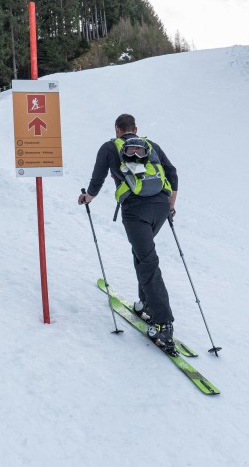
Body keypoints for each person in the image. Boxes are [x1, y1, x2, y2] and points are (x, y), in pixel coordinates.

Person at [78, 114, 179, 354]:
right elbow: (172, 173)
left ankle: (164, 324)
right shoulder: (151, 146)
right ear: (135, 129)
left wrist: (88, 197)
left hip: (135, 211)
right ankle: (145, 303)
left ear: (117, 129)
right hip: (161, 207)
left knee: (147, 260)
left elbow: (97, 179)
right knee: (143, 254)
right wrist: (171, 206)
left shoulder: (109, 147)